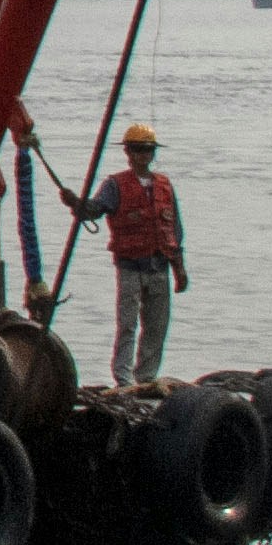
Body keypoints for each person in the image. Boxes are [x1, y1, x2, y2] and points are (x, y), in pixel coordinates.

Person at [55, 120, 188, 384]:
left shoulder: (164, 186)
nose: (143, 155)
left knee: (156, 327)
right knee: (127, 325)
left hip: (159, 267)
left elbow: (175, 230)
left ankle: (147, 377)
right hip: (130, 267)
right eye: (137, 149)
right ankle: (123, 378)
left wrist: (180, 270)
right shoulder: (115, 185)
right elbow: (94, 210)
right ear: (128, 152)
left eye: (148, 150)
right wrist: (76, 203)